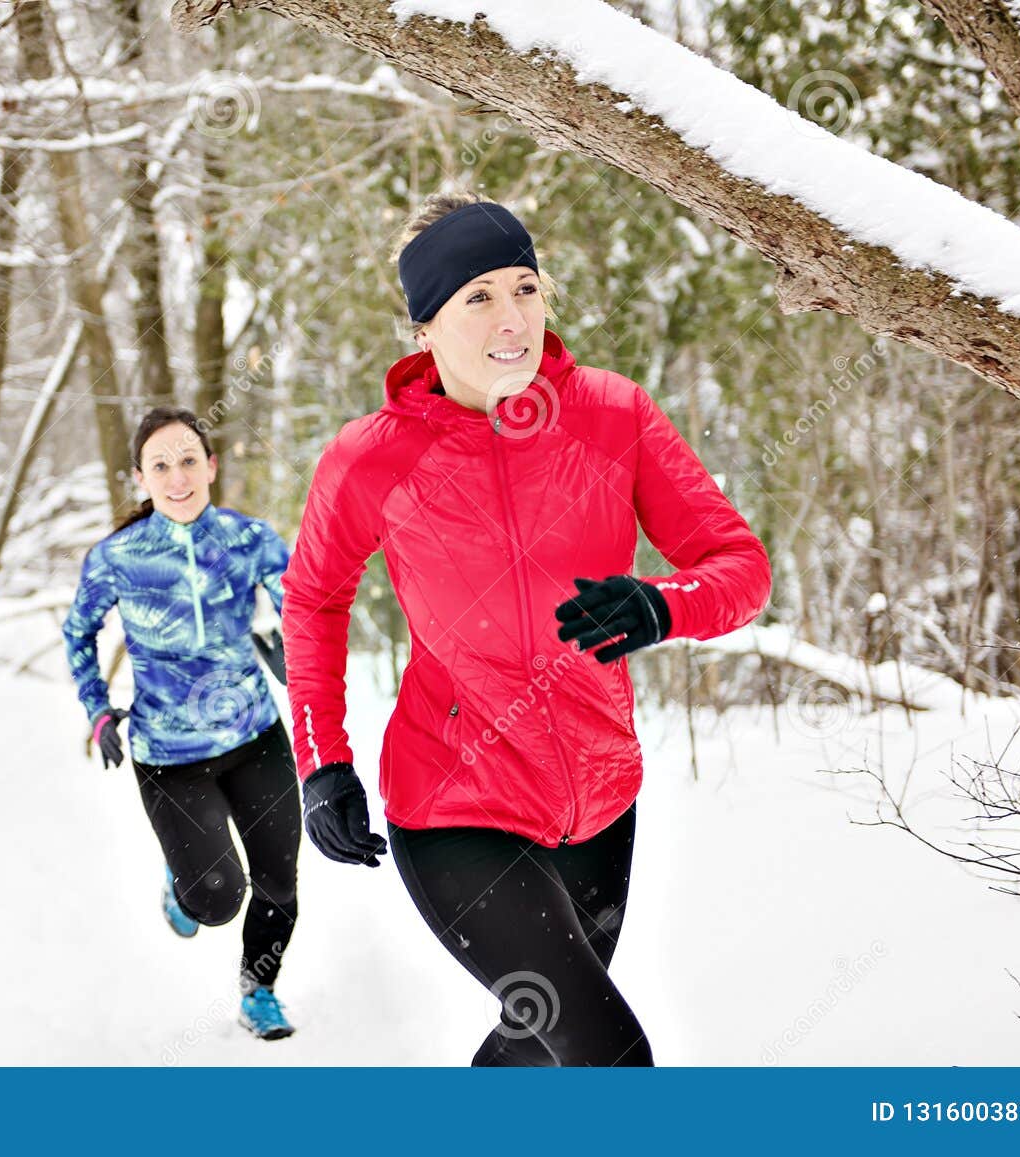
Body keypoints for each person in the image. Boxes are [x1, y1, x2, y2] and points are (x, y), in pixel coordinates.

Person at [281, 193, 772, 1066]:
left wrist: (664, 603)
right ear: (425, 328)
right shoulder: (372, 457)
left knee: (536, 1050)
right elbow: (314, 600)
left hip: (600, 798)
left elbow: (738, 566)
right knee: (610, 1057)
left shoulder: (613, 415)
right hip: (455, 806)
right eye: (478, 298)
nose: (513, 319)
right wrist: (323, 762)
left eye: (526, 288)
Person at [62, 406, 301, 1041]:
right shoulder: (117, 557)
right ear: (140, 477)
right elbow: (78, 633)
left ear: (211, 466)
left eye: (189, 460)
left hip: (253, 735)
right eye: (160, 465)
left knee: (279, 881)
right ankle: (185, 882)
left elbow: (306, 611)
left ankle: (260, 992)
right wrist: (96, 709)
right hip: (168, 754)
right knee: (216, 900)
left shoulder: (249, 540)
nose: (177, 477)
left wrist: (288, 646)